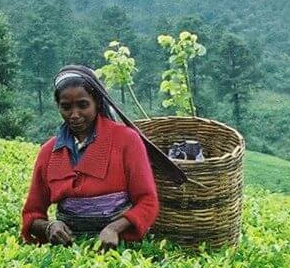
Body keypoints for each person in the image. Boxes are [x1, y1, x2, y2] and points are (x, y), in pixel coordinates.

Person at [22, 65, 183, 249]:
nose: (74, 115)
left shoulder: (127, 140)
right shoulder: (48, 151)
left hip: (121, 247)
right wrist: (50, 226)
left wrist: (114, 229)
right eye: (66, 107)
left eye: (83, 105)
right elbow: (32, 214)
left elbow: (147, 201)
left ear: (97, 102)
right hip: (69, 249)